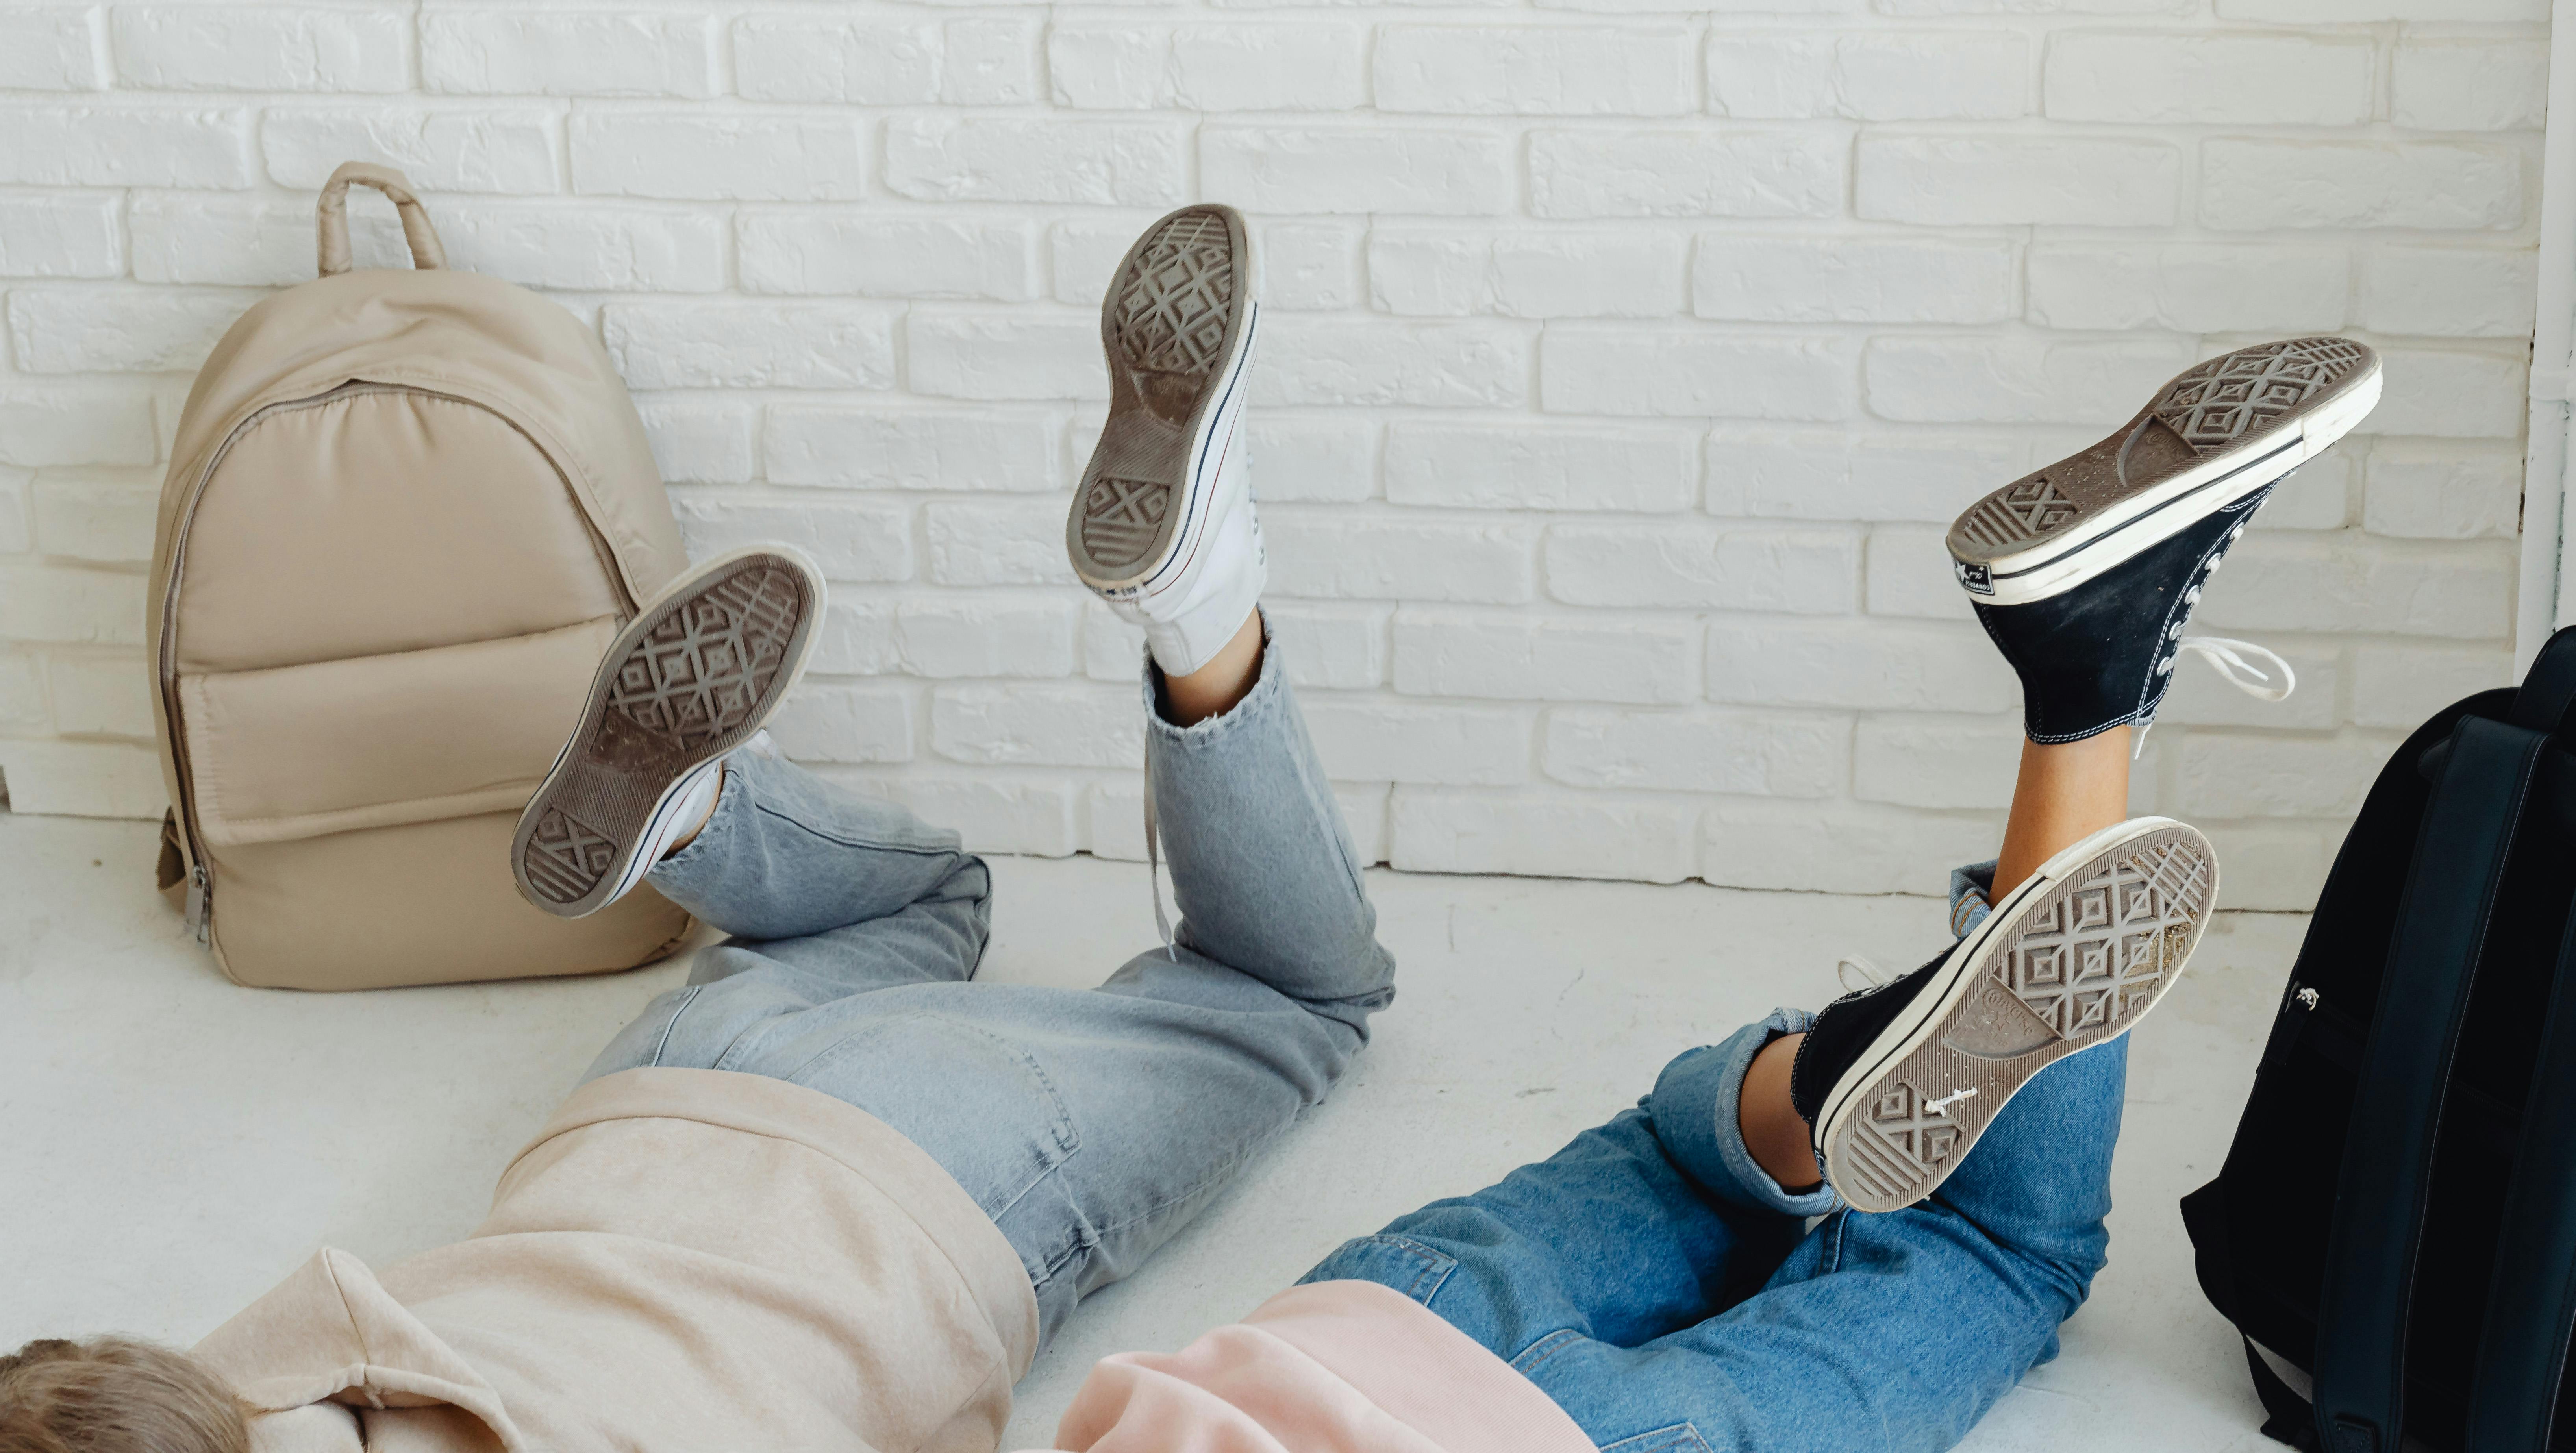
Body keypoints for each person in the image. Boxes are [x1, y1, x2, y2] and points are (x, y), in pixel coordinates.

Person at [0, 204, 1391, 1453]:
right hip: (652, 1098)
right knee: (934, 903)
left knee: (1298, 994)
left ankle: (1210, 603)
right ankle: (704, 814)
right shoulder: (236, 1391)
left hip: (902, 1188)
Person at [1048, 335, 2383, 1453]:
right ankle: (1823, 1075)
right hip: (1317, 1350)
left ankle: (2089, 688)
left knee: (1993, 1251)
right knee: (1672, 1155)